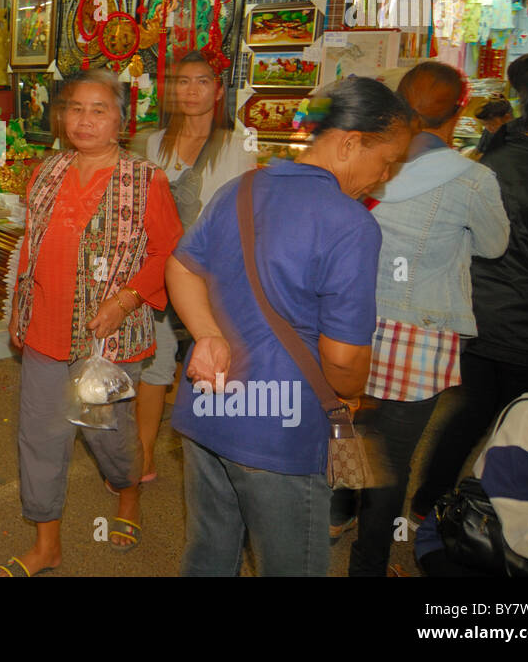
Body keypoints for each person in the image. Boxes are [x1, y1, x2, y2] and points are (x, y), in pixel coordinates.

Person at [168, 76, 412, 576]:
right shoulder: (351, 223)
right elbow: (343, 359)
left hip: (208, 407)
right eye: (385, 161)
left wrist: (209, 335)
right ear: (349, 143)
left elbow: (181, 266)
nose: (384, 176)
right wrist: (351, 394)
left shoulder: (242, 187)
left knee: (209, 555)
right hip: (281, 432)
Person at [330, 62, 509, 574]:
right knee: (392, 460)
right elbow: (495, 246)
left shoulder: (366, 158)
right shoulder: (473, 179)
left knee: (350, 431)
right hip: (422, 338)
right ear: (458, 112)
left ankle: (336, 515)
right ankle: (368, 565)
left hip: (352, 325)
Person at [0, 69, 181, 576]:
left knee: (108, 437)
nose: (84, 119)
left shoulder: (147, 180)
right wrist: (19, 308)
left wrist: (124, 300)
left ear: (122, 120)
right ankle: (47, 544)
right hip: (44, 332)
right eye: (75, 108)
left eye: (99, 109)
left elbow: (168, 250)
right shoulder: (46, 171)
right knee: (39, 437)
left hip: (107, 340)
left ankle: (128, 494)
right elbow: (32, 250)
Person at [411, 70, 528, 521]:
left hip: (478, 317)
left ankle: (427, 501)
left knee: (474, 411)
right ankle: (506, 518)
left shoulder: (490, 163)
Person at [134, 51, 249, 484]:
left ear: (218, 91)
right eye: (183, 82)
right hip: (160, 269)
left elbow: (244, 218)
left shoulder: (239, 147)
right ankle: (143, 455)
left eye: (202, 82)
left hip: (216, 278)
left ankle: (212, 460)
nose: (192, 91)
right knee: (156, 366)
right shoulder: (153, 142)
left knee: (212, 362)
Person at [416, 320, 528, 577]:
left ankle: (422, 502)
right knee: (473, 418)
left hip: (505, 339)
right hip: (489, 549)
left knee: (472, 417)